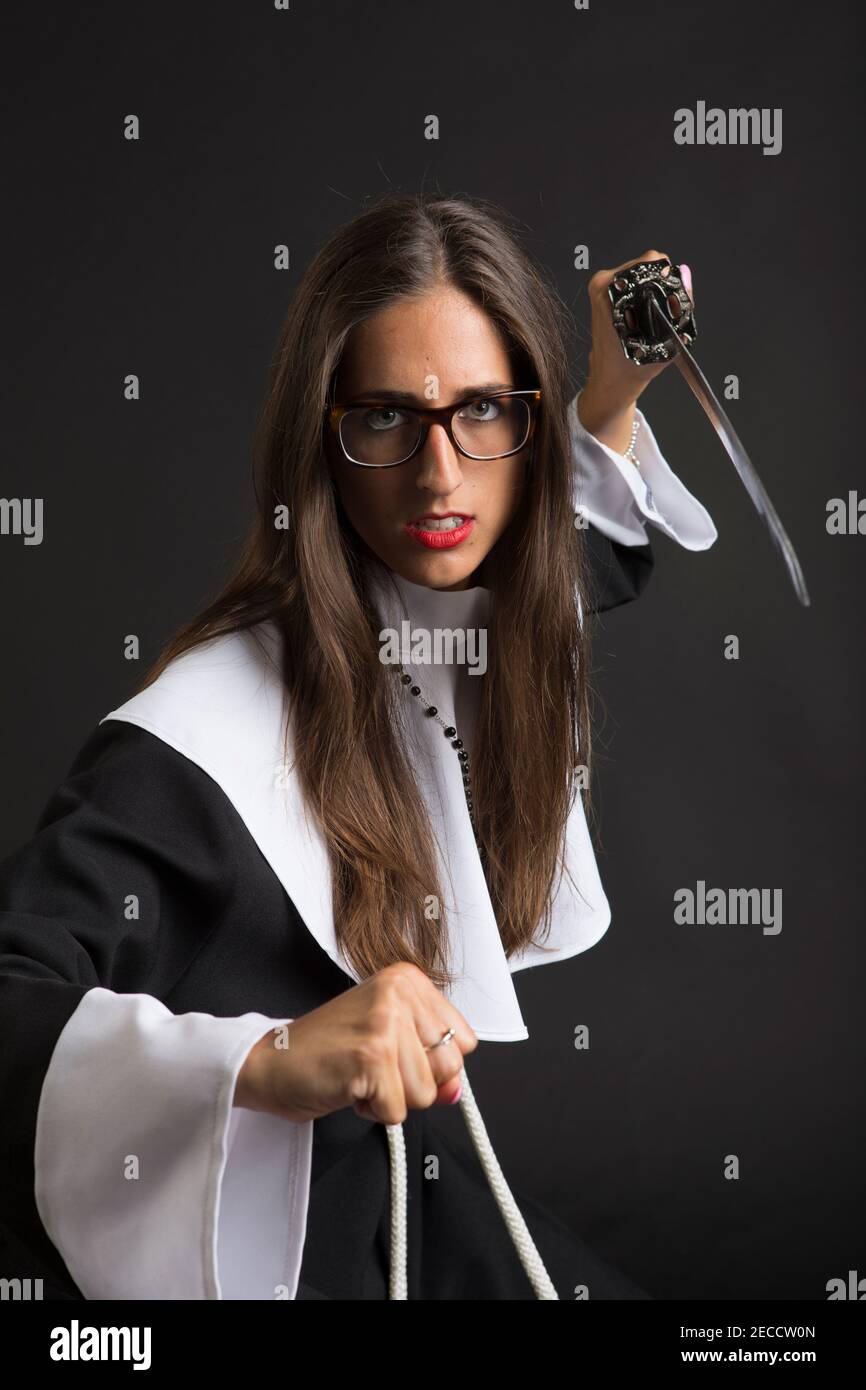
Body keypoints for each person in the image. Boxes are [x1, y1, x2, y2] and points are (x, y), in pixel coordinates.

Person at [0, 192, 716, 1301]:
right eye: (384, 418)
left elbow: (566, 569)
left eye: (483, 411)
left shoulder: (450, 619)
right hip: (281, 1257)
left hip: (435, 1212)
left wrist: (609, 399)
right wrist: (267, 1059)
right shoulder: (193, 748)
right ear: (321, 441)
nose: (440, 477)